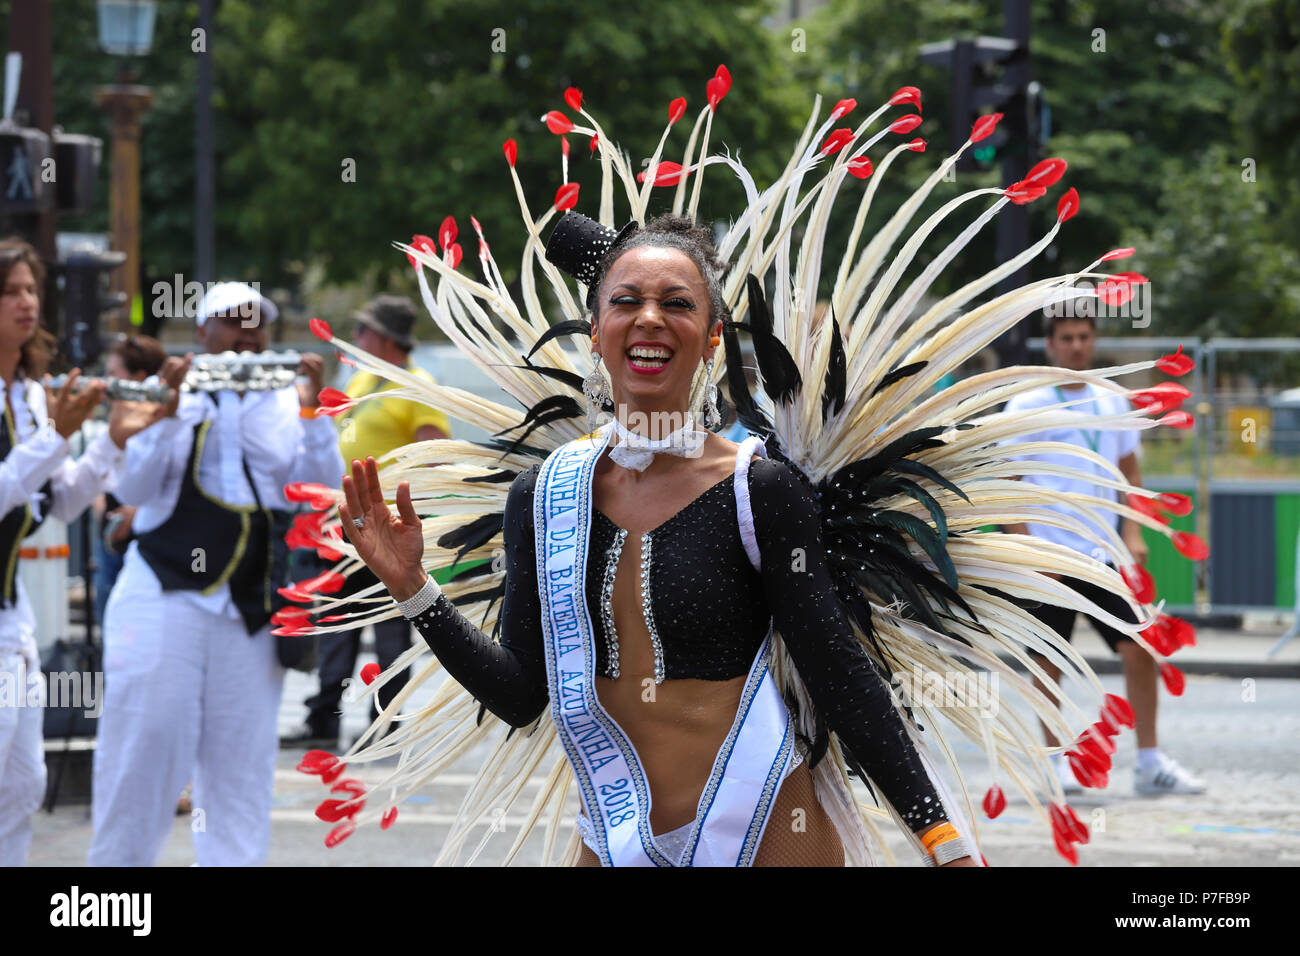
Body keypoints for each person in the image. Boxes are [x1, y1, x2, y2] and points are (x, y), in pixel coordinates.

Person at [298, 78, 1204, 866]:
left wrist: (944, 842)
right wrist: (416, 590)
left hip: (769, 829)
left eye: (676, 302)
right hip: (616, 840)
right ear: (598, 325)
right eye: (627, 299)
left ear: (711, 337)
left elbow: (841, 673)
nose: (650, 317)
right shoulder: (550, 494)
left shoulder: (757, 490)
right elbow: (522, 694)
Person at [88, 282, 344, 866]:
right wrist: (174, 412)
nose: (247, 333)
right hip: (164, 592)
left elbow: (314, 490)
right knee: (143, 754)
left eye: (257, 323)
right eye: (232, 322)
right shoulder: (162, 391)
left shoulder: (283, 400)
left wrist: (310, 410)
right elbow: (132, 489)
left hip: (250, 605)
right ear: (202, 332)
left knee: (241, 768)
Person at [0, 239, 164, 865]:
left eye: (31, 289)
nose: (27, 301)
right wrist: (58, 436)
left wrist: (109, 446)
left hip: (12, 617)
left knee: (23, 785)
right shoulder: (33, 405)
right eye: (11, 290)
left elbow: (59, 503)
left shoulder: (29, 393)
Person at [1001, 310, 1207, 796]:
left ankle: (1150, 764)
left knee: (1140, 649)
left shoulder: (1111, 400)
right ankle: (1055, 762)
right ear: (1050, 347)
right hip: (1049, 553)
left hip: (1102, 553)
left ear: (1093, 342)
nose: (1076, 346)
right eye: (1067, 338)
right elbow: (1007, 483)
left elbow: (1130, 475)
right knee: (1046, 659)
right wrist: (1024, 544)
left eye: (1084, 337)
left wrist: (1133, 534)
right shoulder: (1027, 404)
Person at [287, 297, 449, 748]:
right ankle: (324, 720)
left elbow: (435, 459)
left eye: (361, 332)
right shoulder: (361, 381)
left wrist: (410, 522)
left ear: (381, 337)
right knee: (338, 624)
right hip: (343, 529)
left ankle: (384, 726)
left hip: (386, 530)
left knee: (389, 631)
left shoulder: (415, 386)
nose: (356, 340)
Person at [93, 335, 167, 629]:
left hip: (147, 547)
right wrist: (98, 502)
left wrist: (137, 514)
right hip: (110, 541)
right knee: (110, 629)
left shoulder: (164, 423)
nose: (106, 382)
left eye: (113, 374)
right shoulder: (114, 416)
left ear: (138, 378)